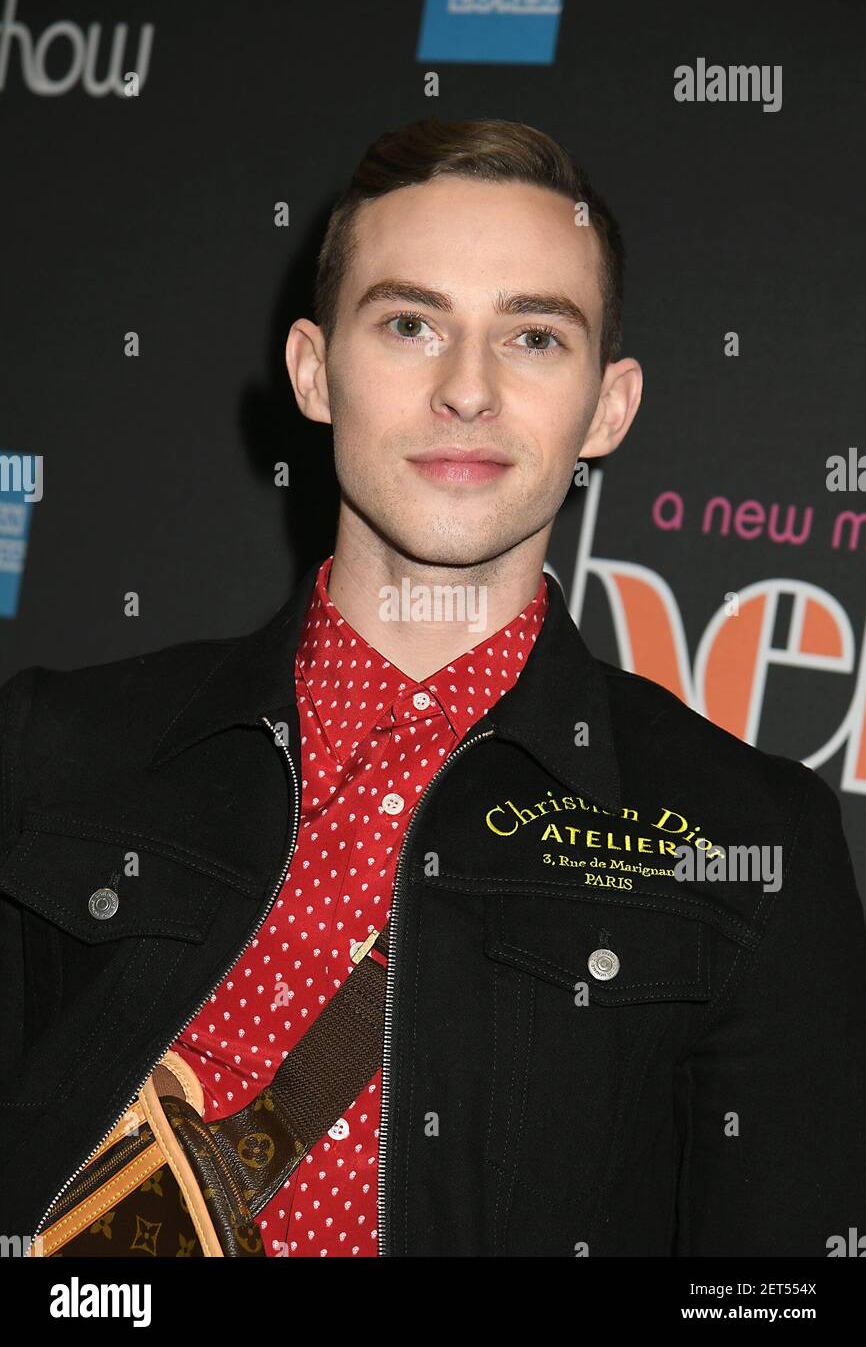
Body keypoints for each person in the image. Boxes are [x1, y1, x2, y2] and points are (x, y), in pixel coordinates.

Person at [1, 117, 864, 1258]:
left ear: (608, 406)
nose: (467, 390)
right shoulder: (50, 748)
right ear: (313, 372)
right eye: (410, 324)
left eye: (534, 338)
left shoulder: (752, 840)